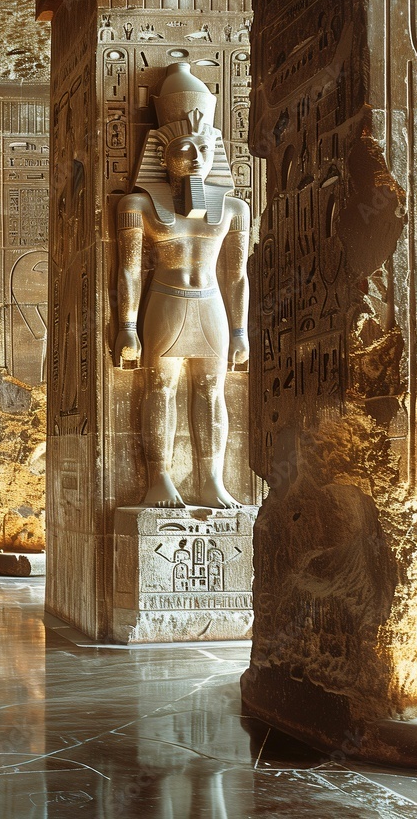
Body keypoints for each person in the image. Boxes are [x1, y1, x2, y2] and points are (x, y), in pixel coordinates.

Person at [114, 63, 249, 508]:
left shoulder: (234, 209)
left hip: (211, 305)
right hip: (166, 304)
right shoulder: (138, 205)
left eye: (204, 149)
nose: (196, 158)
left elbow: (237, 275)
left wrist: (240, 331)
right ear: (161, 153)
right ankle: (160, 479)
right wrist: (127, 326)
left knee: (212, 391)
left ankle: (212, 479)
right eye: (184, 149)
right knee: (161, 389)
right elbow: (129, 271)